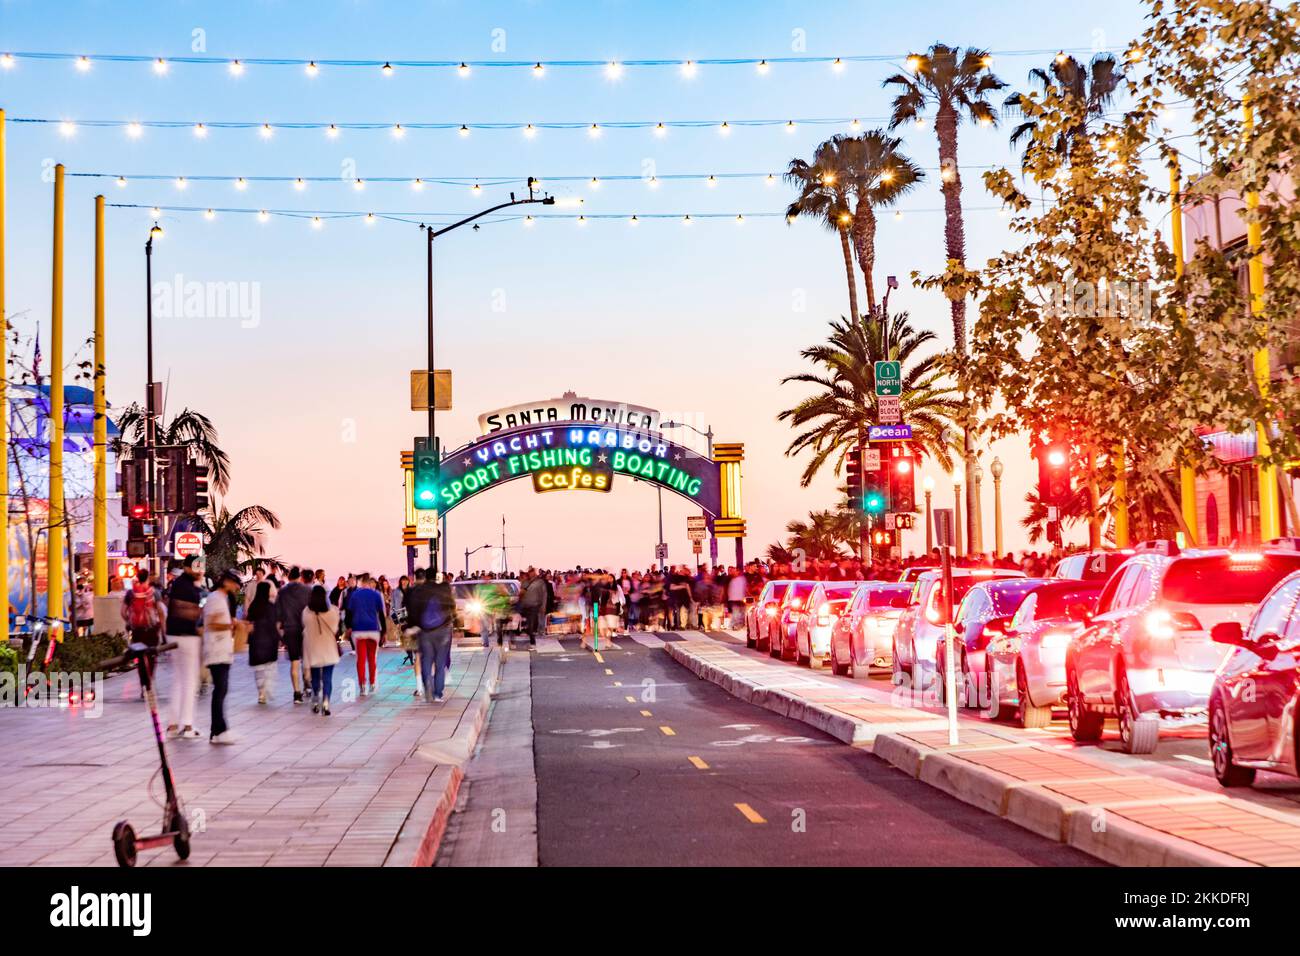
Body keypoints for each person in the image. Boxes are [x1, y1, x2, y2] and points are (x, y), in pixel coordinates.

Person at [164, 556, 206, 740]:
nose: (200, 572)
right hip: (187, 637)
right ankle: (188, 725)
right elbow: (193, 612)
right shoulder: (189, 587)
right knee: (190, 682)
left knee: (178, 681)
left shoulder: (178, 584)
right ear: (187, 568)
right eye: (197, 568)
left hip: (173, 635)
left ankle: (173, 724)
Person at [203, 570, 242, 744]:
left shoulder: (221, 599)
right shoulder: (214, 599)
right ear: (226, 582)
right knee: (220, 690)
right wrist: (231, 625)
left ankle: (218, 730)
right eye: (235, 583)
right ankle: (219, 730)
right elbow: (211, 623)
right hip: (216, 651)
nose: (236, 587)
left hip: (222, 650)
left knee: (221, 690)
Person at [407, 570, 455, 702]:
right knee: (440, 663)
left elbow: (413, 611)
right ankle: (438, 693)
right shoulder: (444, 588)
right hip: (443, 630)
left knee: (426, 660)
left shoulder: (419, 591)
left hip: (425, 631)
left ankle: (428, 689)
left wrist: (413, 626)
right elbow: (452, 607)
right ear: (436, 576)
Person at [302, 585, 341, 715]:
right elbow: (335, 630)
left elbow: (304, 626)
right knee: (327, 677)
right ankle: (326, 702)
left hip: (313, 648)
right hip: (328, 648)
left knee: (315, 677)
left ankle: (315, 699)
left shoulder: (306, 612)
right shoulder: (332, 612)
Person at [276, 566, 312, 704]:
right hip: (305, 628)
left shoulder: (282, 592)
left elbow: (278, 615)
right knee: (307, 660)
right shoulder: (307, 590)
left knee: (294, 662)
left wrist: (280, 635)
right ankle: (307, 684)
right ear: (299, 577)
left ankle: (297, 693)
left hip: (290, 630)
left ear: (289, 577)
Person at [348, 576, 386, 695]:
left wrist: (349, 627)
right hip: (373, 630)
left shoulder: (355, 595)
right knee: (372, 658)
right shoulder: (376, 595)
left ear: (360, 582)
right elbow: (381, 614)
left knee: (361, 659)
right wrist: (384, 630)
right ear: (369, 582)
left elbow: (349, 613)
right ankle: (373, 683)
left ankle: (362, 686)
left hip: (358, 630)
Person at [246, 580, 279, 705]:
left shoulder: (254, 606)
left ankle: (261, 693)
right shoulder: (271, 606)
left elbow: (249, 622)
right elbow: (276, 623)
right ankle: (268, 690)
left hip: (256, 640)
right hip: (270, 639)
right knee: (269, 667)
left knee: (259, 668)